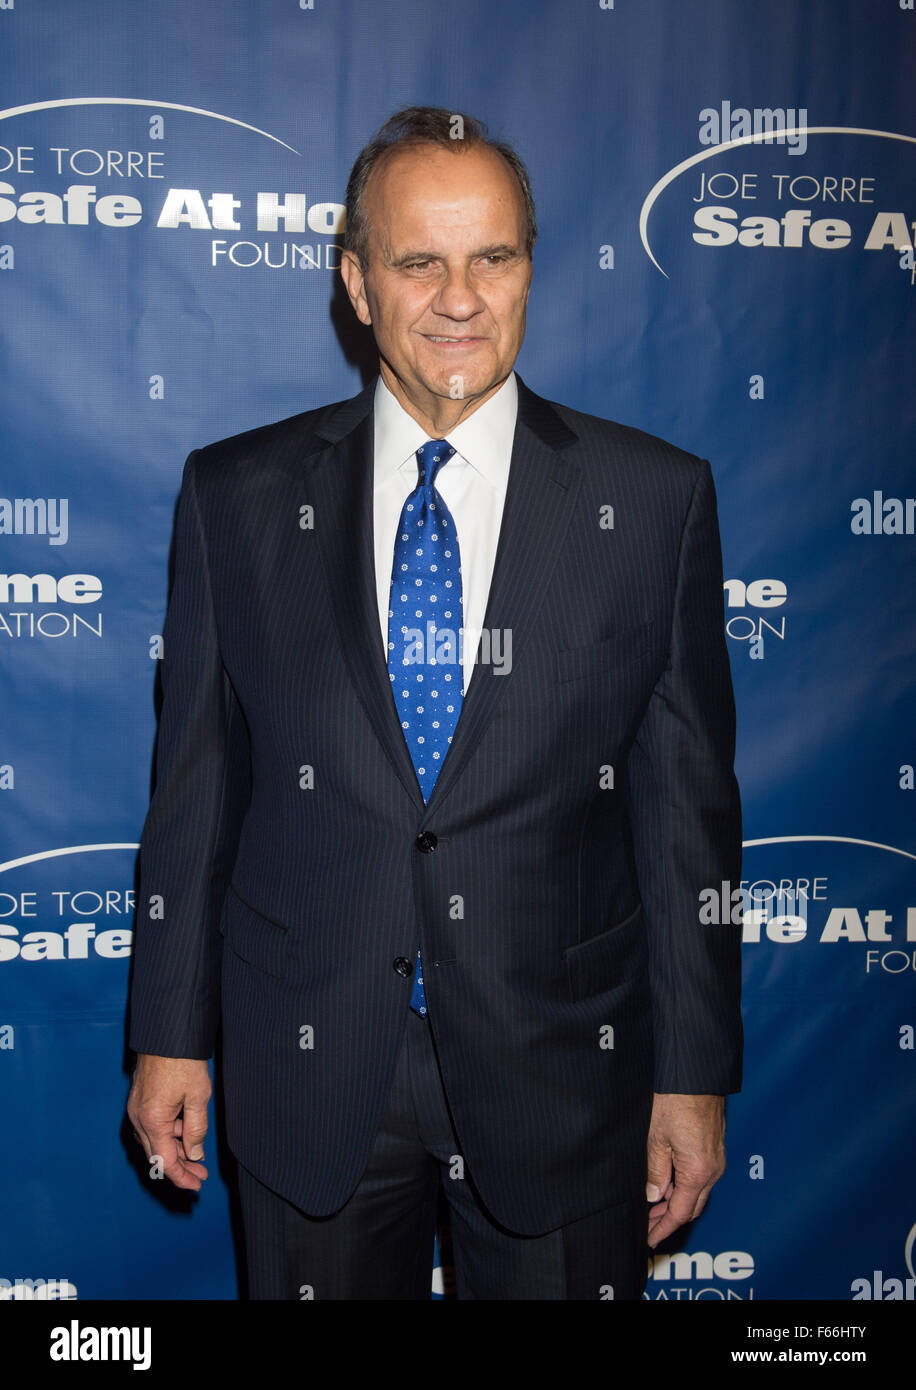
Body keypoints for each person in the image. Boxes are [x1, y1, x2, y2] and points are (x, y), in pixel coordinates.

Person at [127, 105, 742, 1300]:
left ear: (528, 268)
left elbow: (684, 820)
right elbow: (195, 793)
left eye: (493, 258)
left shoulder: (651, 498)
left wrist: (692, 1071)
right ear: (358, 282)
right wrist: (168, 1031)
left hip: (564, 1067)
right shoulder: (236, 497)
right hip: (311, 1069)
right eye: (420, 260)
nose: (460, 298)